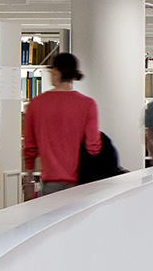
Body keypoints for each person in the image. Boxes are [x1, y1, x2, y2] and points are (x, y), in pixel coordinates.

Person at [20, 50, 102, 197]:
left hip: (50, 182)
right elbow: (93, 147)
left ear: (56, 71)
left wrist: (29, 173)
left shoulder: (36, 104)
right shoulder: (88, 104)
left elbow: (30, 147)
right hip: (80, 182)